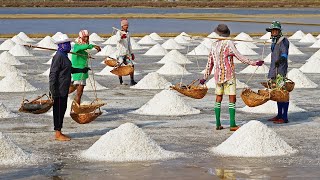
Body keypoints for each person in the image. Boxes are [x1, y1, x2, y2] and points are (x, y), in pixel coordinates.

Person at [200, 24, 264, 131]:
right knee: (232, 98)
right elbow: (239, 56)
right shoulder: (229, 43)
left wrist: (205, 77)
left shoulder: (214, 45)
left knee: (218, 98)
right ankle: (233, 124)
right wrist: (254, 63)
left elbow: (209, 63)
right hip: (229, 75)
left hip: (218, 76)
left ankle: (217, 123)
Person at [266, 21, 290, 124]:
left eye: (275, 30)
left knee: (283, 94)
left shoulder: (283, 41)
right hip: (274, 70)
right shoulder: (274, 42)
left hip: (280, 71)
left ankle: (284, 117)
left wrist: (281, 60)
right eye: (272, 31)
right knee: (277, 94)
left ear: (279, 31)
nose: (273, 32)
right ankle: (279, 115)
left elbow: (284, 54)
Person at [72, 30, 101, 105]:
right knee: (79, 92)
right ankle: (76, 108)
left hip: (82, 72)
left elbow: (84, 49)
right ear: (81, 37)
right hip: (78, 72)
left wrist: (87, 56)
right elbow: (82, 47)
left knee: (79, 91)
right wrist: (93, 46)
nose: (87, 38)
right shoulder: (77, 45)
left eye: (87, 37)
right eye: (85, 37)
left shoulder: (82, 47)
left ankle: (75, 106)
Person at [115, 19, 137, 86]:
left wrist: (132, 53)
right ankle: (121, 81)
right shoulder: (119, 32)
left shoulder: (128, 33)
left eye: (127, 25)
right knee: (120, 67)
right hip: (120, 54)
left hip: (126, 54)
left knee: (131, 66)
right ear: (122, 26)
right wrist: (121, 37)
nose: (126, 26)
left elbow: (129, 44)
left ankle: (132, 80)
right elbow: (118, 40)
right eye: (125, 25)